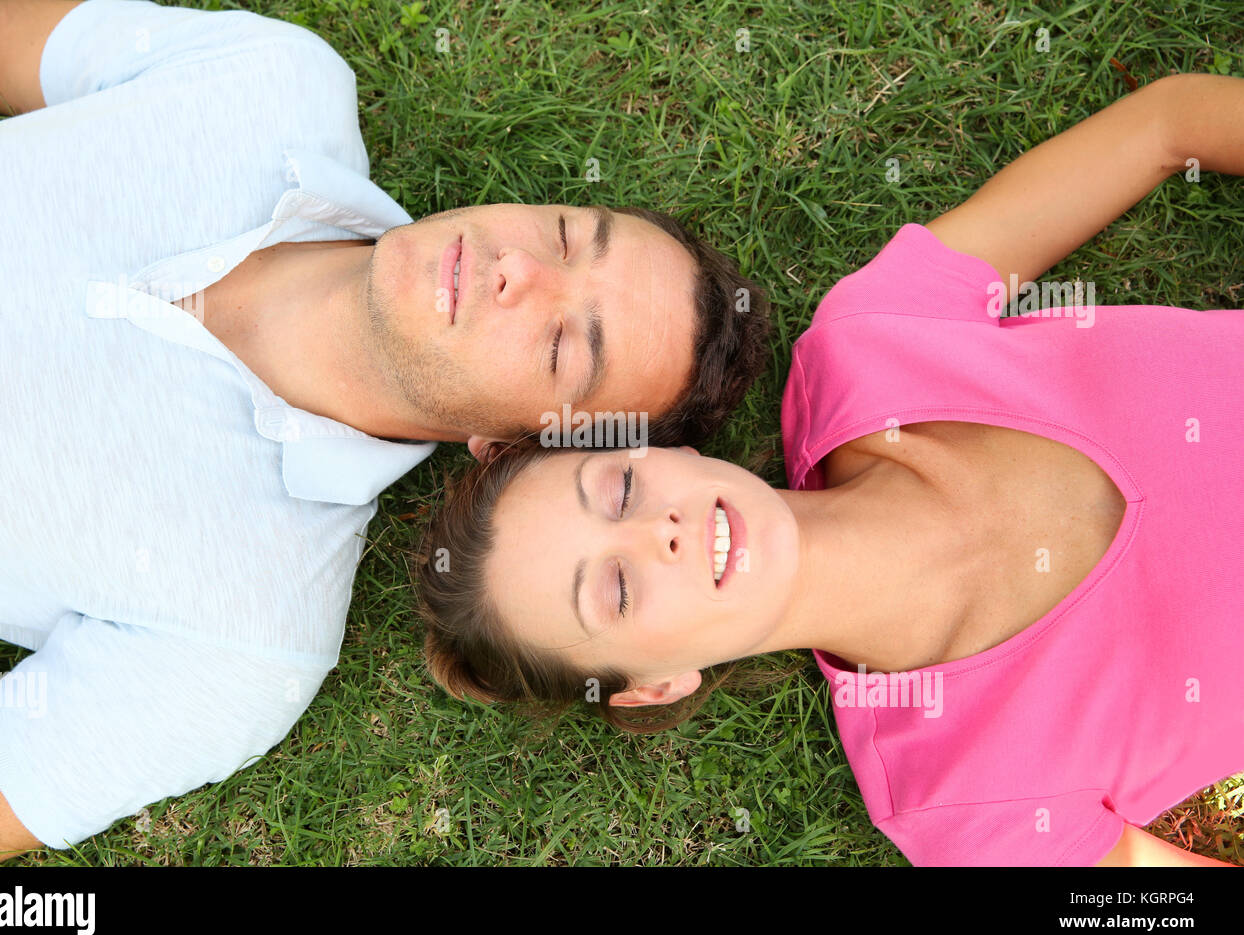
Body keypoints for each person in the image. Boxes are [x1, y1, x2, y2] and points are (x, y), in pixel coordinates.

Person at [0, 0, 769, 864]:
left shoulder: (246, 636)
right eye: (568, 236)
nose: (519, 269)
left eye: (564, 346)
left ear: (507, 449)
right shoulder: (276, 81)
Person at [415, 71, 1244, 865]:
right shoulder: (967, 809)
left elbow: (1165, 129)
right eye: (617, 590)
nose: (655, 534)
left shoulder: (871, 345)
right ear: (656, 686)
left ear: (657, 447)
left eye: (619, 491)